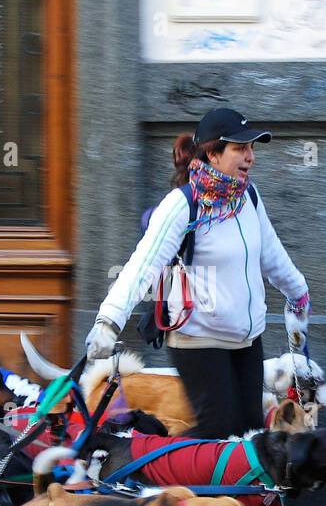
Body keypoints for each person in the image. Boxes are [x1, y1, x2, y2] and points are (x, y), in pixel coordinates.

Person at [86, 107, 311, 439]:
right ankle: (162, 478)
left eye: (252, 148)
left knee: (250, 433)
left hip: (246, 339)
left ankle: (231, 492)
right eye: (240, 148)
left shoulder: (248, 195)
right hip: (199, 339)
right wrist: (108, 323)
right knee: (218, 432)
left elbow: (270, 252)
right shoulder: (182, 204)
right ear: (213, 154)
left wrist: (298, 292)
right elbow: (142, 266)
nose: (251, 157)